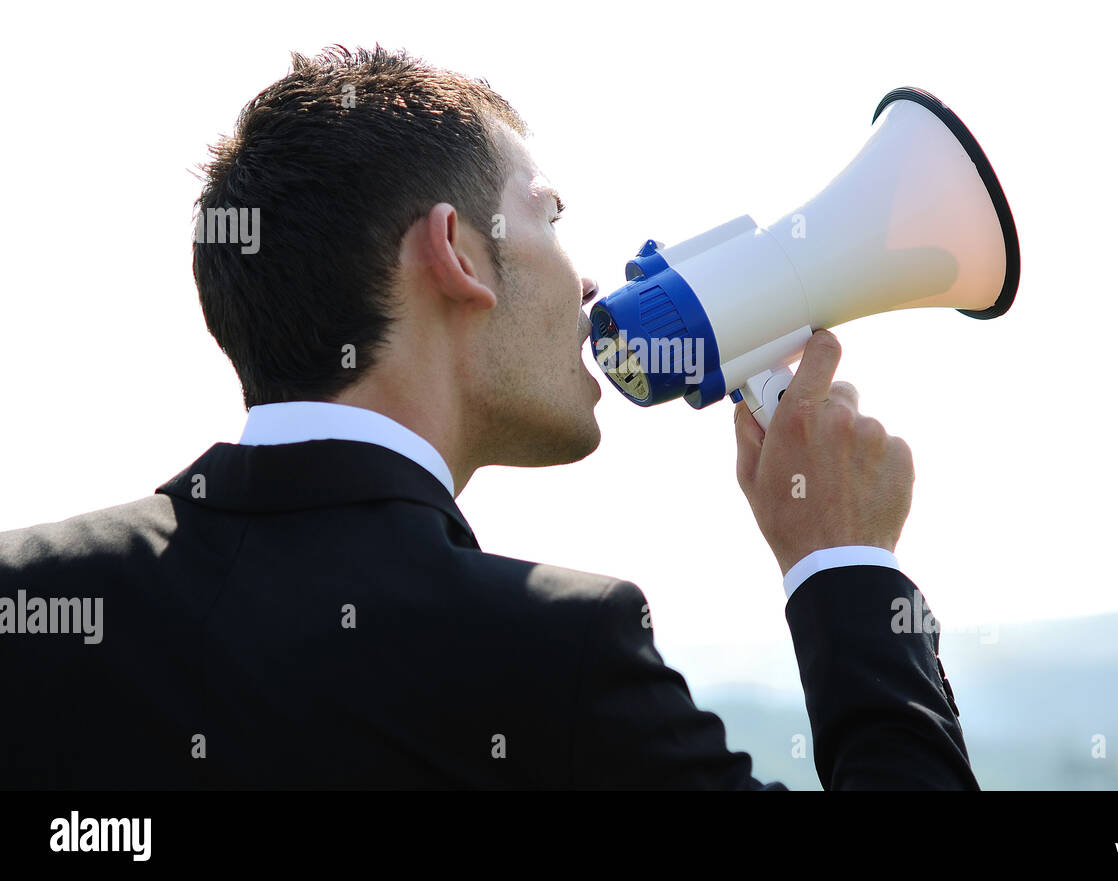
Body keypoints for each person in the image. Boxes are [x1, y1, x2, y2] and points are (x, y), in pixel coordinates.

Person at [0, 46, 976, 790]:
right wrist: (844, 564)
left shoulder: (29, 597)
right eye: (549, 217)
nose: (585, 277)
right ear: (458, 253)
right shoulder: (559, 652)